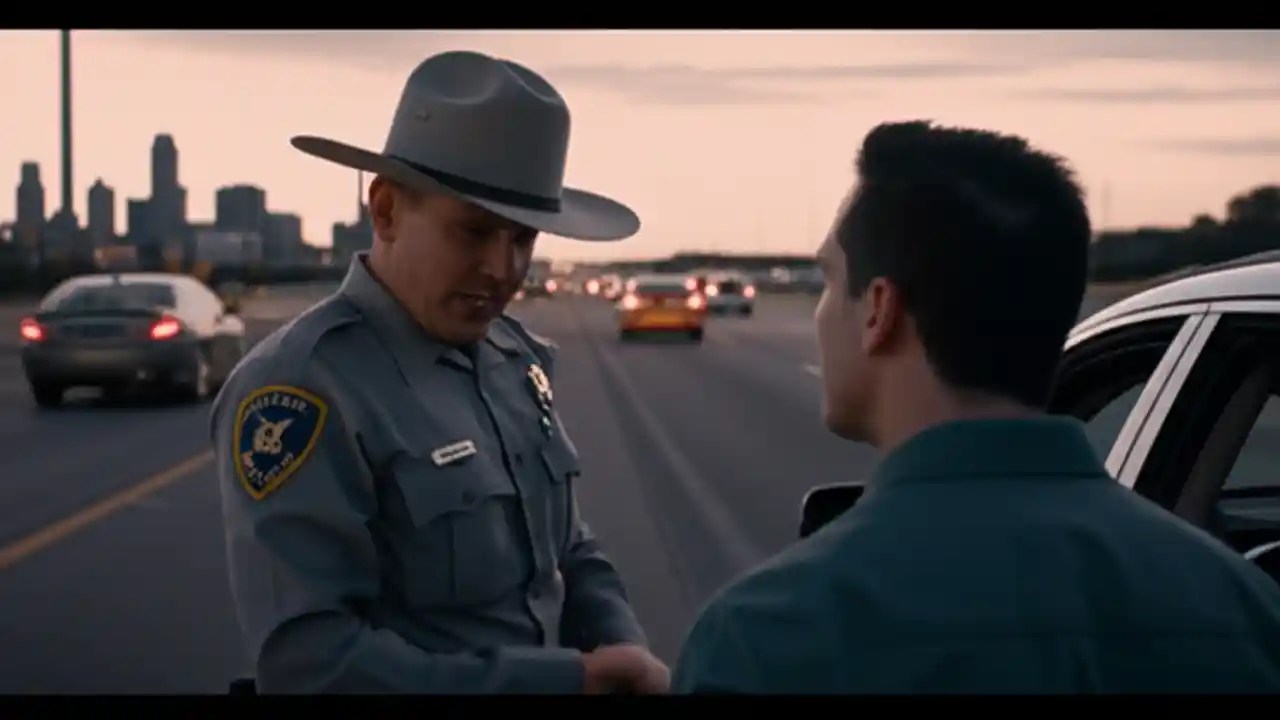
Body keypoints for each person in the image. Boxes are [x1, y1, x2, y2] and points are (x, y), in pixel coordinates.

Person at [671, 120, 1280, 693]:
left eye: (831, 281)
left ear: (879, 310)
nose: (821, 311)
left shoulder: (763, 637)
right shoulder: (1248, 608)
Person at [211, 50, 669, 694]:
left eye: (523, 239)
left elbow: (567, 548)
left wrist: (623, 647)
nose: (504, 269)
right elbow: (310, 663)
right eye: (474, 232)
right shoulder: (302, 389)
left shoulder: (515, 359)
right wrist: (569, 681)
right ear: (387, 210)